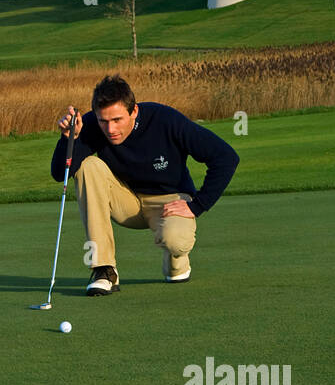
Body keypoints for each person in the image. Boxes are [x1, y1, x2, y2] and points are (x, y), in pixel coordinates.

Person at [51, 74, 239, 295]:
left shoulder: (166, 120)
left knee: (176, 243)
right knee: (87, 166)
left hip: (169, 201)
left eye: (117, 120)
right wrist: (69, 139)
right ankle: (104, 270)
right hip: (126, 200)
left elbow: (226, 157)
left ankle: (176, 262)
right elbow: (59, 174)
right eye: (104, 121)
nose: (110, 129)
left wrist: (196, 205)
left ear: (134, 111)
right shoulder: (92, 125)